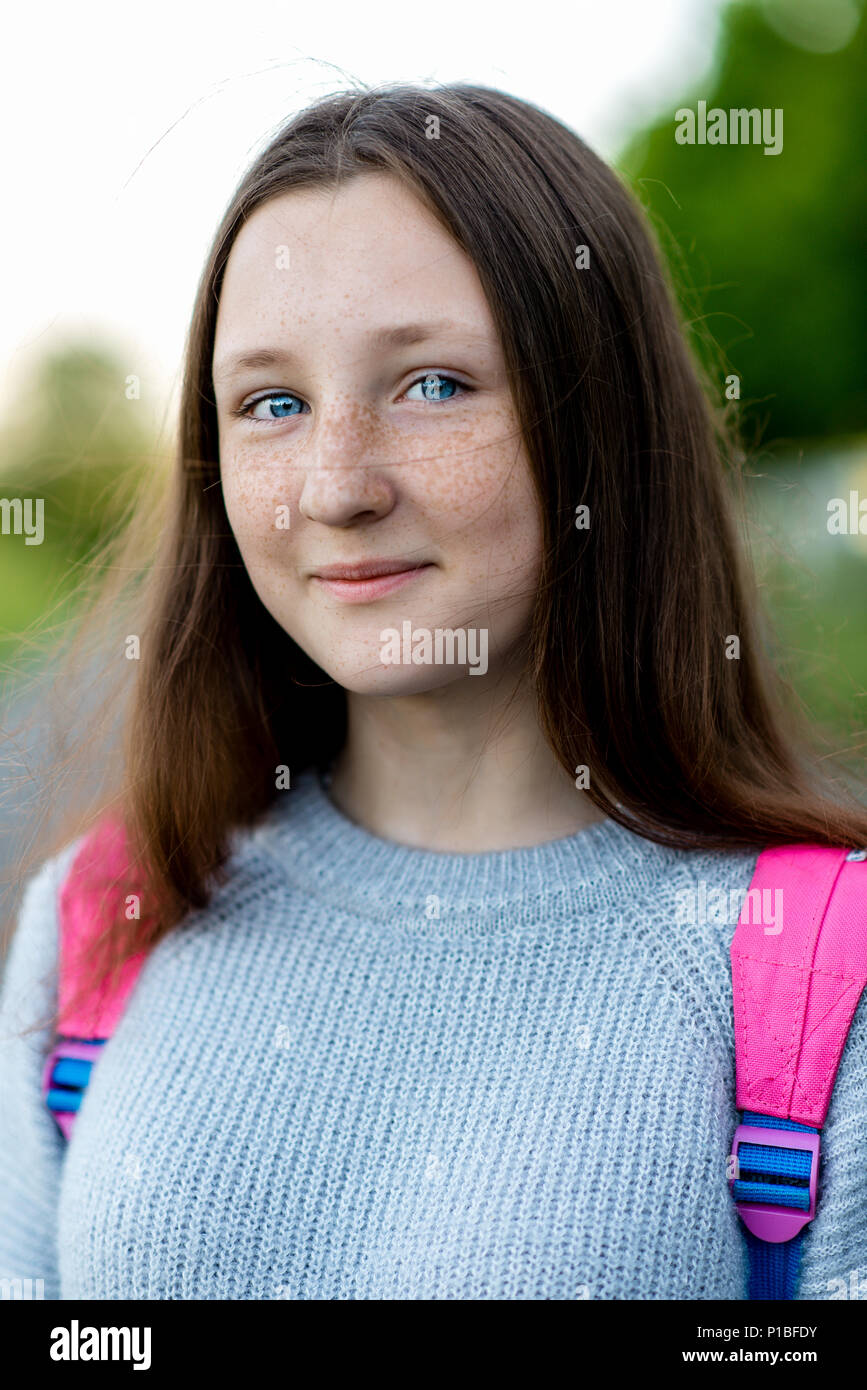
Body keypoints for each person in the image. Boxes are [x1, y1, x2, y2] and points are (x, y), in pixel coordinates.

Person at [1, 82, 866, 1300]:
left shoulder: (826, 984)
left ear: (601, 430)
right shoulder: (95, 924)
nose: (337, 485)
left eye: (433, 386)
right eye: (274, 404)